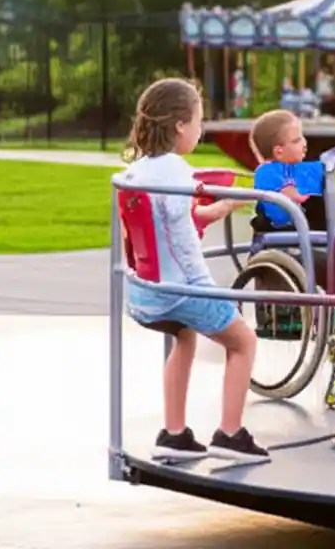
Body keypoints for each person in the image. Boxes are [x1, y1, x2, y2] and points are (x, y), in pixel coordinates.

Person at [120, 78, 268, 461]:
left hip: (143, 291)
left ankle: (174, 433)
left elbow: (168, 226)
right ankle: (230, 434)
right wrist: (210, 293)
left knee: (183, 336)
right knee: (242, 341)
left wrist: (221, 208)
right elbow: (185, 248)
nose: (201, 130)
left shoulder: (139, 171)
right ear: (181, 125)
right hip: (179, 289)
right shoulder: (177, 173)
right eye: (199, 121)